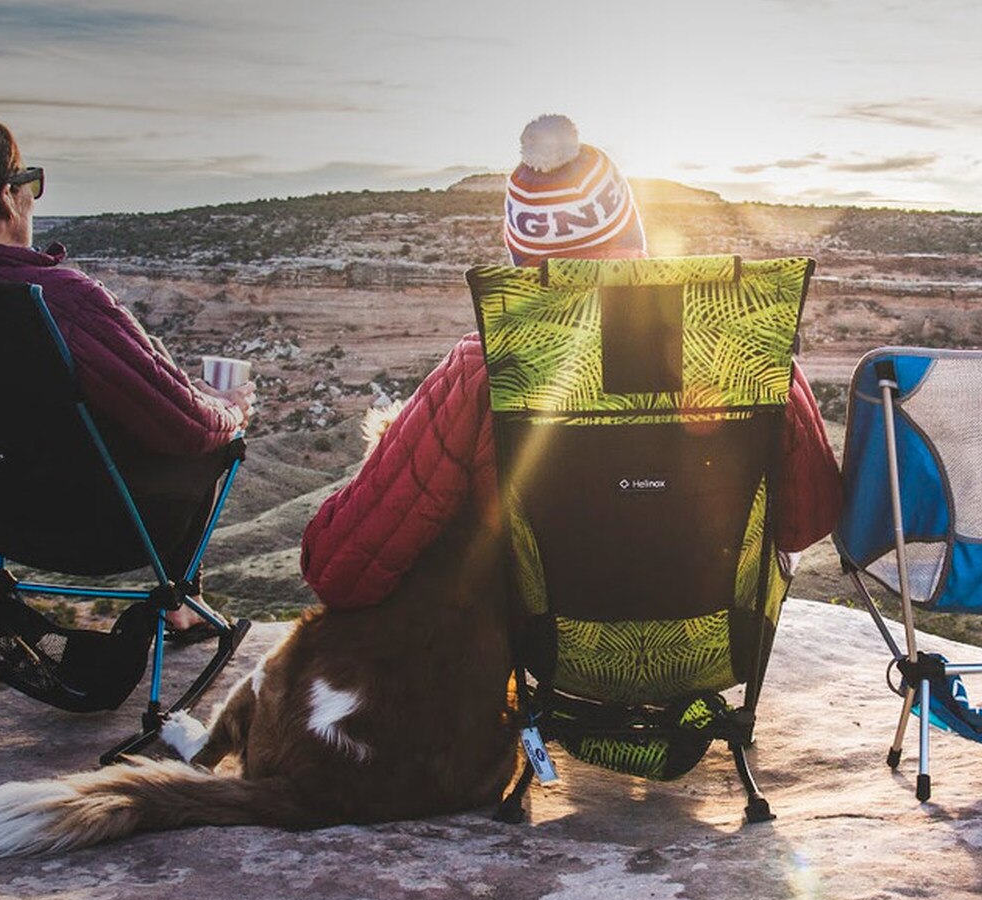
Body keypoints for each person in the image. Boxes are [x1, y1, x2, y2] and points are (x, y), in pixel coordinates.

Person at [301, 114, 843, 609]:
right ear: (631, 229)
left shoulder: (483, 365)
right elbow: (808, 521)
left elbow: (339, 570)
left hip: (548, 661)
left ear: (521, 255)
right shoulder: (739, 337)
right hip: (716, 648)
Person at [0, 108, 256, 573]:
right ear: (7, 196)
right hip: (115, 533)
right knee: (221, 440)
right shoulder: (58, 298)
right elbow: (186, 427)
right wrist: (229, 407)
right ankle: (177, 599)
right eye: (28, 182)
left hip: (0, 523)